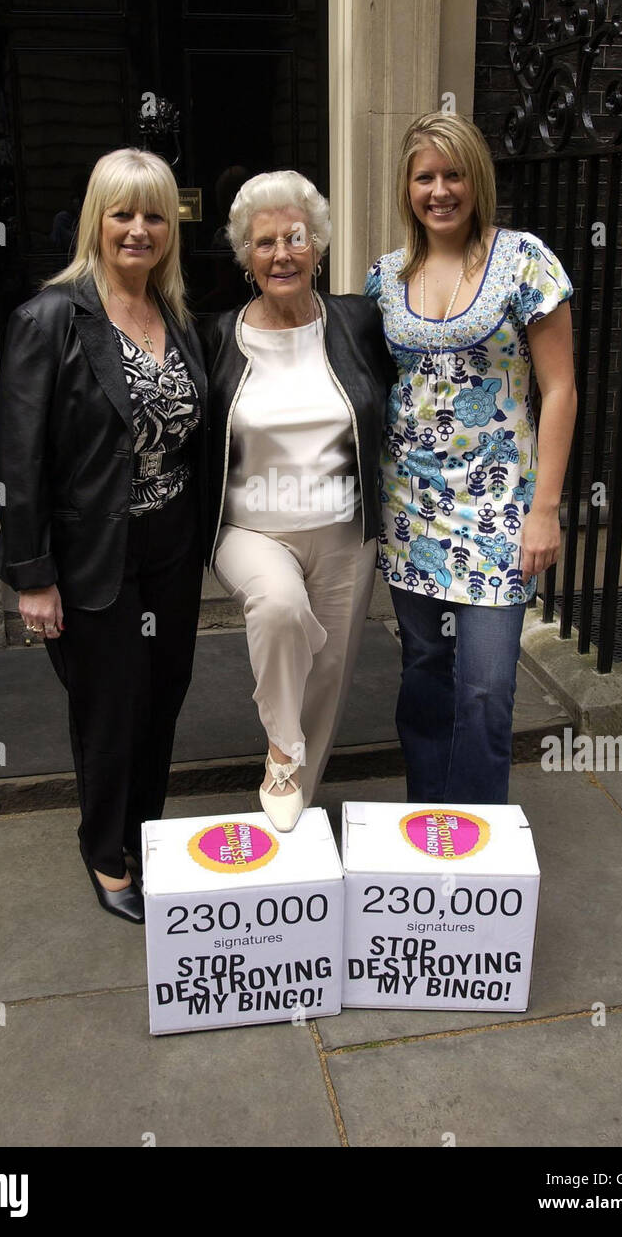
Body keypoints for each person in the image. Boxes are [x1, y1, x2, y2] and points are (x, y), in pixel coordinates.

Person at [0, 148, 207, 922]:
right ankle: (106, 854)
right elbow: (17, 458)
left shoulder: (175, 315)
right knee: (110, 708)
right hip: (89, 558)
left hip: (170, 549)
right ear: (97, 221)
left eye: (154, 214)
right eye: (123, 213)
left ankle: (145, 833)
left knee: (162, 697)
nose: (139, 229)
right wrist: (33, 575)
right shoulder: (49, 318)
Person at [365, 112, 577, 803]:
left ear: (476, 178)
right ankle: (424, 821)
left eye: (454, 173)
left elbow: (561, 387)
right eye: (425, 176)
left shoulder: (525, 262)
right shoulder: (385, 277)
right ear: (407, 187)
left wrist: (545, 508)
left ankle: (477, 842)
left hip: (500, 513)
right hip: (411, 508)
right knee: (424, 667)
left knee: (486, 684)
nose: (440, 190)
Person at [199, 170, 393, 831]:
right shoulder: (217, 337)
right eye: (264, 243)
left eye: (294, 238)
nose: (280, 253)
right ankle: (281, 752)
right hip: (251, 529)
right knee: (279, 608)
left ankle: (296, 808)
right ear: (246, 257)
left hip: (344, 528)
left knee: (328, 680)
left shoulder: (360, 322)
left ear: (318, 246)